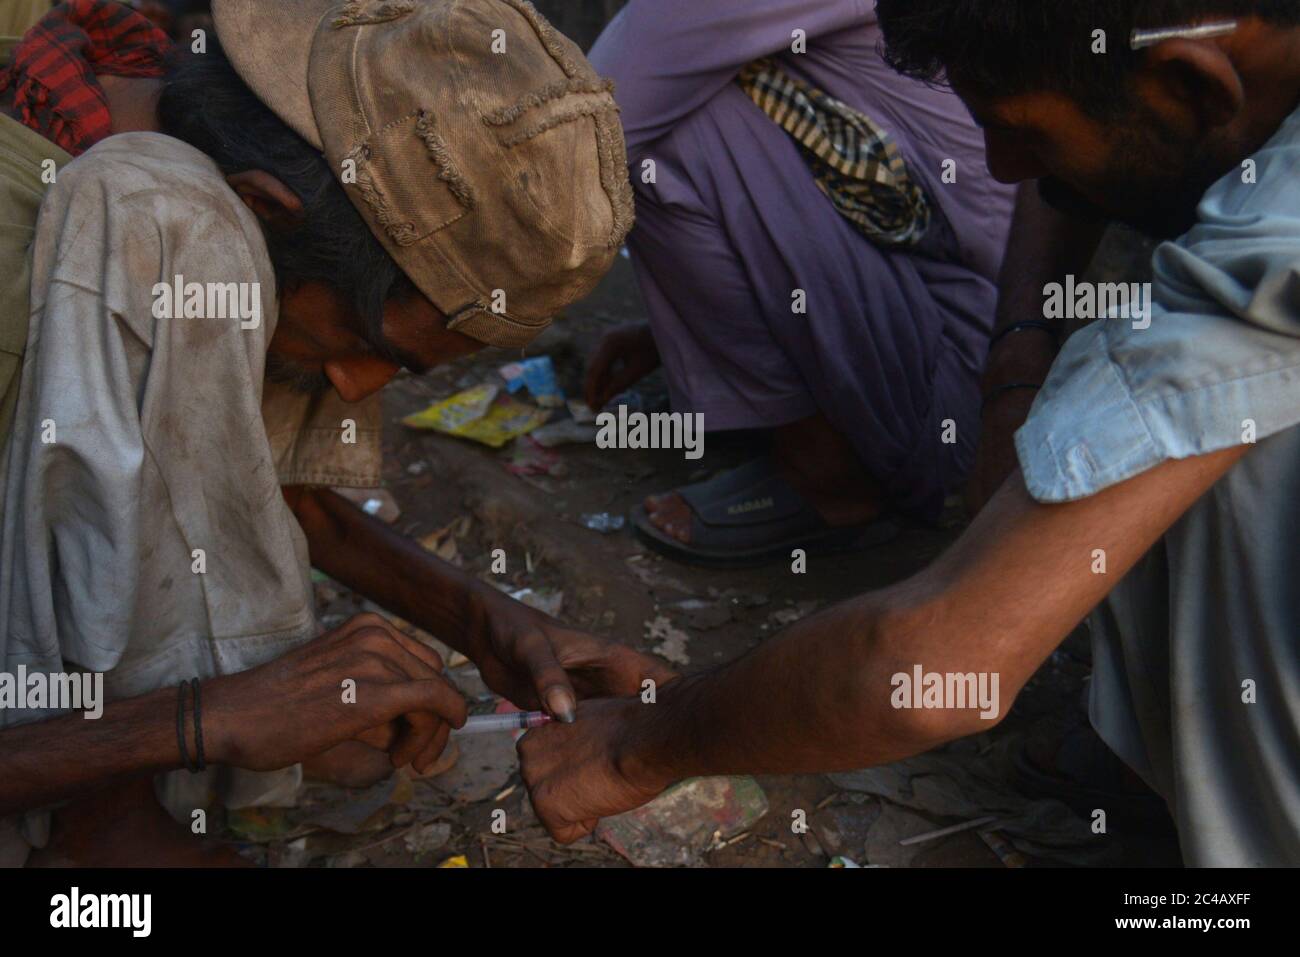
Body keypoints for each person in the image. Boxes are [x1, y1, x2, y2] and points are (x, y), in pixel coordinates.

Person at [520, 0, 1300, 867]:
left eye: (1023, 136)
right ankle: (1168, 754)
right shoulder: (1228, 83)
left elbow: (935, 669)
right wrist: (1017, 360)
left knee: (1205, 441)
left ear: (1191, 84)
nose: (1005, 169)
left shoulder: (1269, 268)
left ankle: (1213, 794)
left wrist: (639, 743)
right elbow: (1096, 147)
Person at [0, 0, 670, 866]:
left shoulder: (202, 183)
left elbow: (250, 486)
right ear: (263, 207)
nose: (358, 385)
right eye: (370, 347)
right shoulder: (123, 249)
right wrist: (197, 724)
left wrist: (486, 621)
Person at [581, 0, 1015, 566]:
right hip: (970, 351)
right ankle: (798, 411)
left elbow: (576, 149)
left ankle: (829, 477)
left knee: (655, 145)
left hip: (956, 388)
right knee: (686, 96)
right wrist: (674, 331)